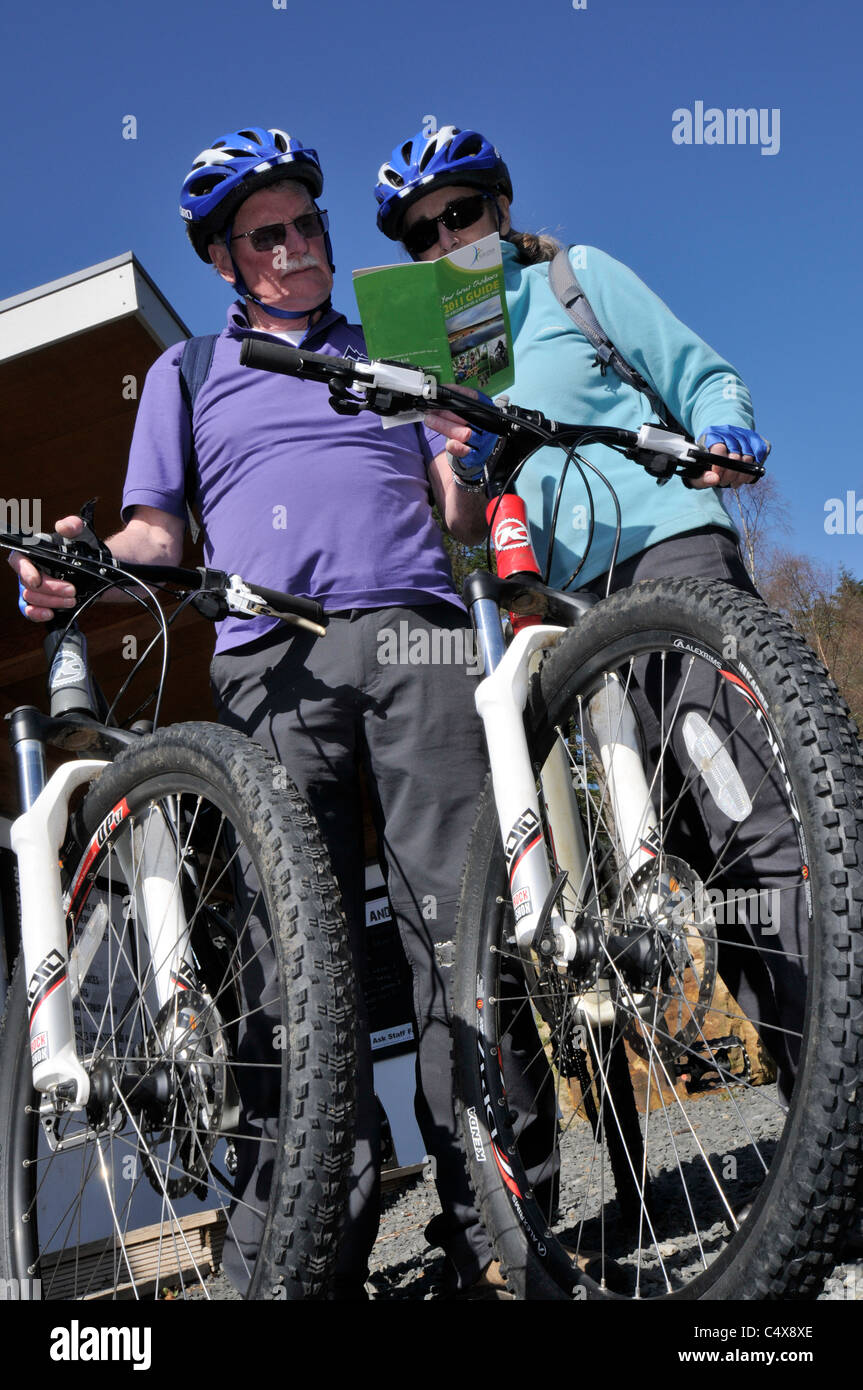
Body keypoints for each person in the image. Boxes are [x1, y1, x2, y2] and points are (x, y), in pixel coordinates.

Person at [11, 125, 506, 1298]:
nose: (295, 247)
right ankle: (314, 1245)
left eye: (308, 224)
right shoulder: (185, 376)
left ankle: (494, 1219)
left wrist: (471, 445)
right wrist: (81, 557)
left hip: (417, 630)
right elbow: (156, 535)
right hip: (268, 657)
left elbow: (455, 488)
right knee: (298, 962)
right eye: (265, 234)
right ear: (225, 262)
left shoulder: (394, 326)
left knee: (461, 930)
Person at [373, 123, 807, 1104]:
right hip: (564, 612)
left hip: (663, 545)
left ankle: (843, 1079)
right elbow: (463, 533)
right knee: (690, 860)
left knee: (745, 807)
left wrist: (721, 428)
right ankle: (811, 1106)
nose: (446, 242)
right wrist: (463, 470)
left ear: (501, 207)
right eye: (421, 234)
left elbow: (697, 373)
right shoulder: (446, 348)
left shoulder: (572, 279)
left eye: (461, 213)